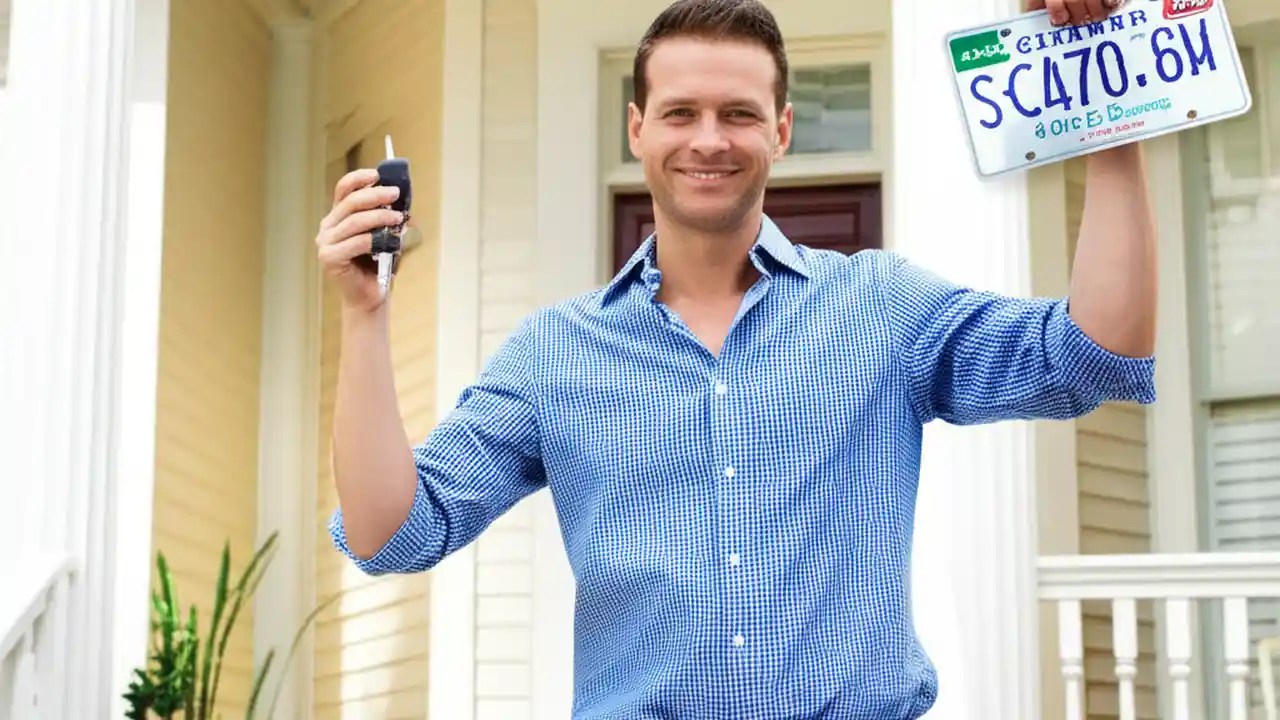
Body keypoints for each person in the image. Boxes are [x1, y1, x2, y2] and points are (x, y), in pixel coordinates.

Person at [313, 0, 1156, 716]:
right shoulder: (554, 355)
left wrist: (1114, 119)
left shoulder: (882, 308)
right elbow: (395, 533)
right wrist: (363, 314)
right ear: (638, 128)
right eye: (680, 113)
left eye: (740, 113)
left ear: (780, 130)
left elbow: (1092, 351)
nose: (709, 139)